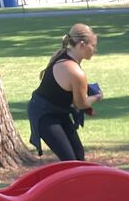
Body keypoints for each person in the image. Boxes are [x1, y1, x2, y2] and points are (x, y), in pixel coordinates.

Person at [28, 25, 102, 163]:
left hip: (60, 112)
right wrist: (97, 97)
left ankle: (81, 183)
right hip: (44, 115)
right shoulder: (75, 71)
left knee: (78, 156)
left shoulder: (66, 53)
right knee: (70, 161)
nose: (95, 50)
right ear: (81, 45)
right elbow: (80, 104)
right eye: (93, 45)